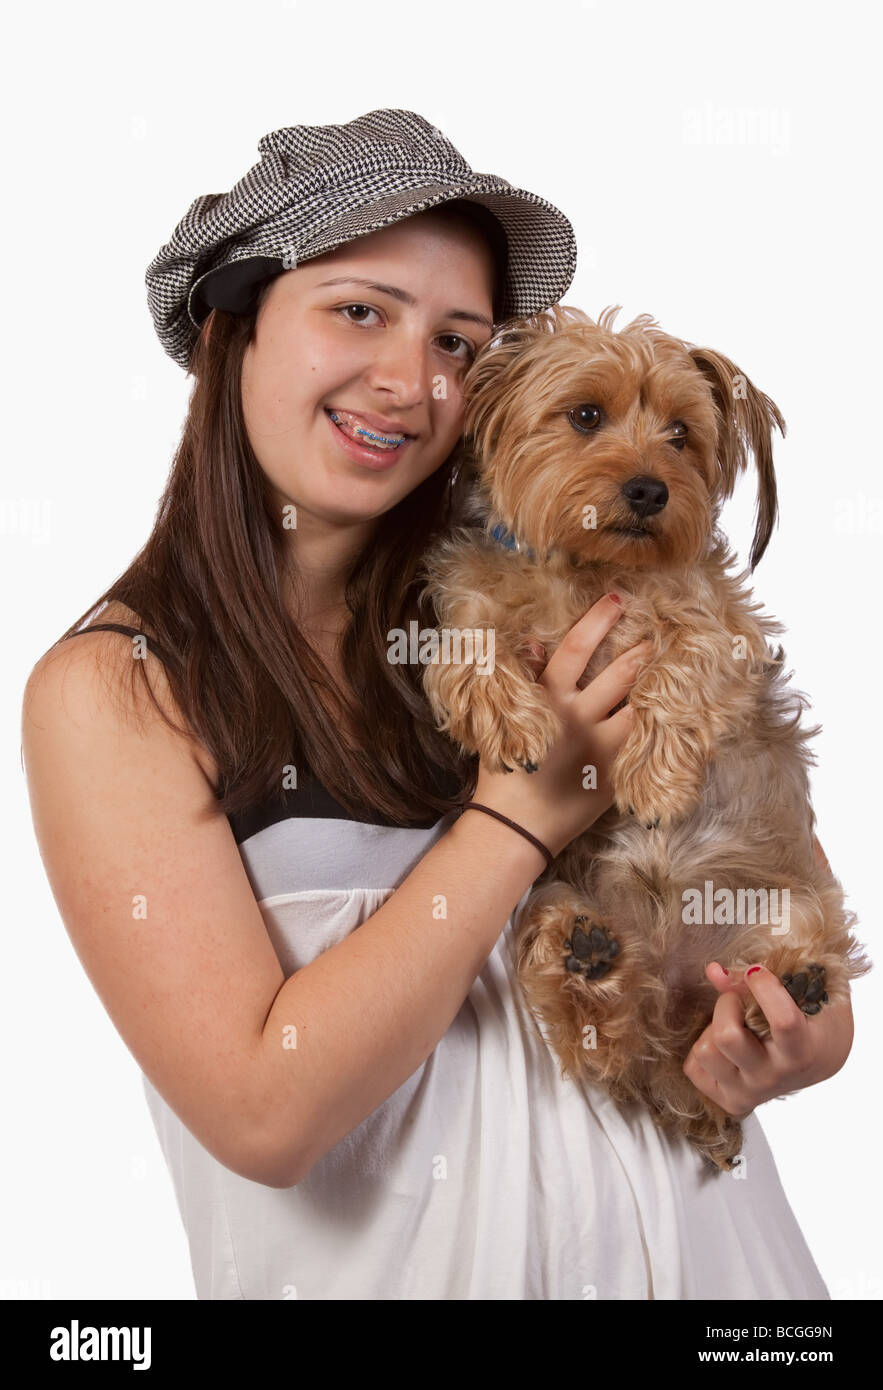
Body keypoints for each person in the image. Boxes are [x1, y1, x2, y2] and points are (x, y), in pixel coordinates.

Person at [21, 110, 852, 1300]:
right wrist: (521, 816)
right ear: (235, 327)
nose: (413, 381)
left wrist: (798, 1034)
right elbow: (266, 1116)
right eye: (358, 310)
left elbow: (774, 883)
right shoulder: (122, 688)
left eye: (459, 343)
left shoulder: (560, 605)